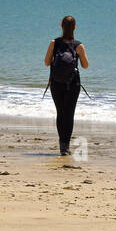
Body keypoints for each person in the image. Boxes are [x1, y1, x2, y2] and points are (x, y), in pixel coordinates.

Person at [44, 15, 89, 157]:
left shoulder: (54, 43)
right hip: (73, 84)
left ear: (61, 26)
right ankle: (66, 147)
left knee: (60, 113)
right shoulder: (78, 45)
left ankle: (61, 146)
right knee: (69, 115)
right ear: (75, 27)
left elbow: (46, 62)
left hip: (56, 83)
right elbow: (85, 66)